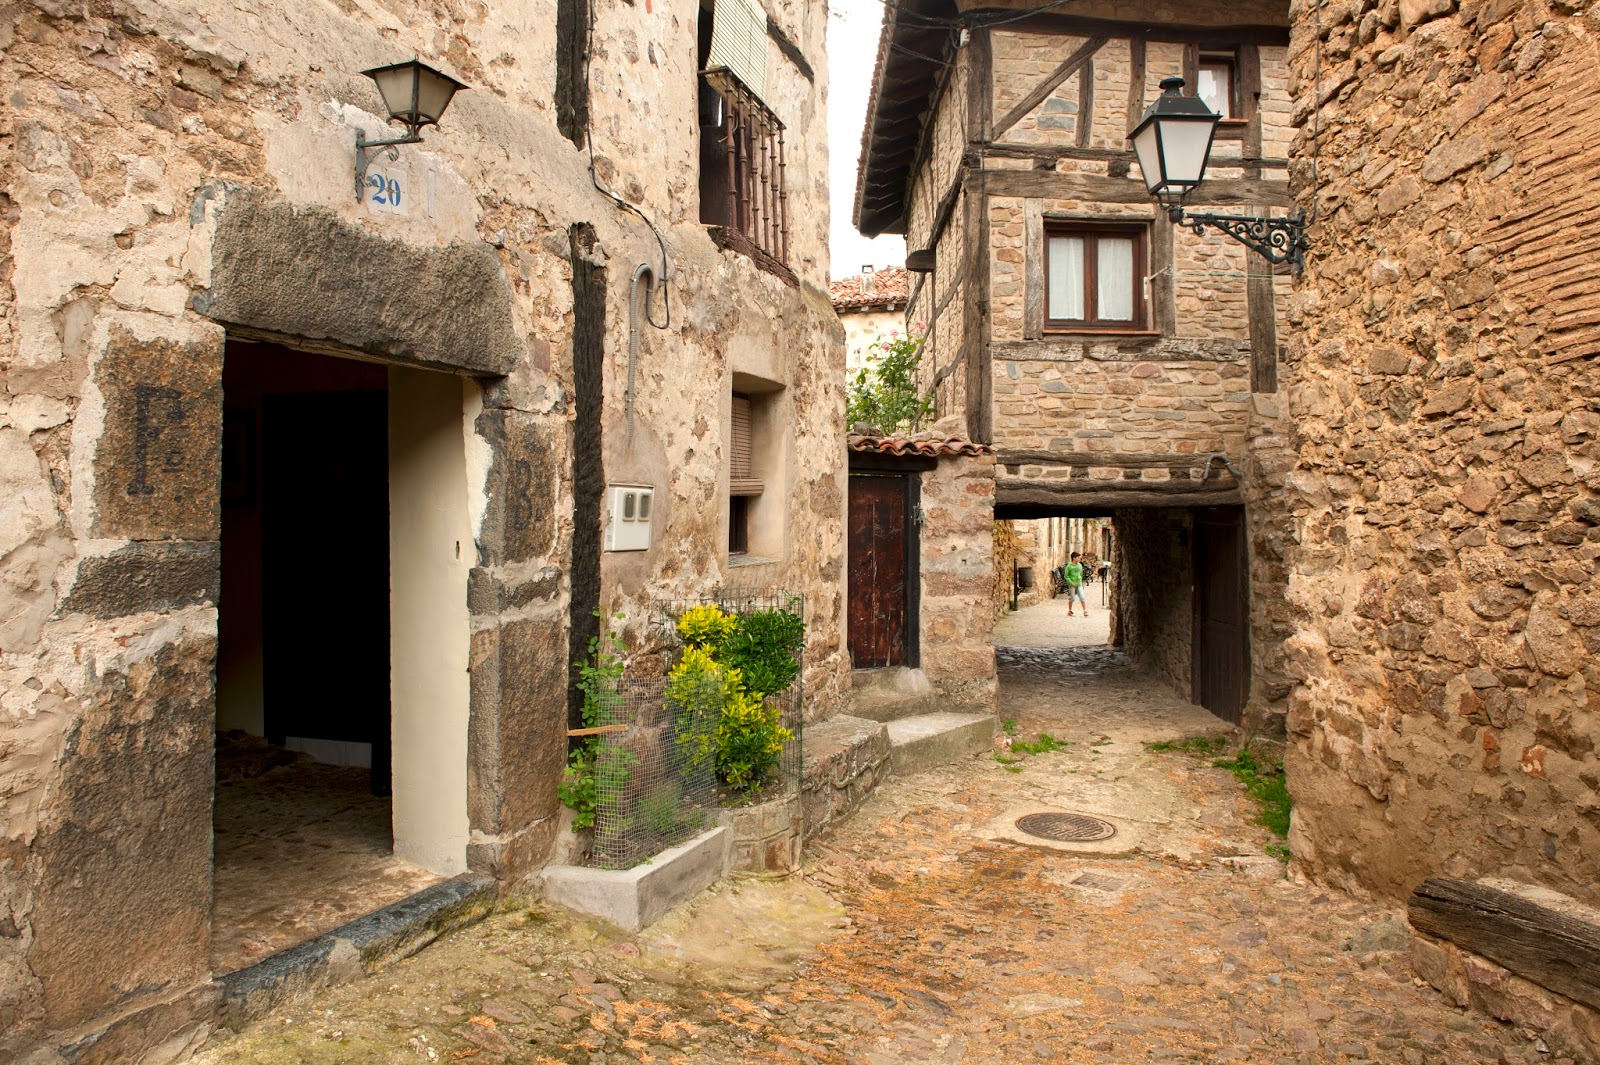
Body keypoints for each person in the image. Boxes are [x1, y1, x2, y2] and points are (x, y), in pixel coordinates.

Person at [1062, 551, 1088, 616]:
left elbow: (1081, 574)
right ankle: (1070, 611)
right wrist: (1070, 582)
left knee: (1082, 596)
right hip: (1072, 584)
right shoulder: (1069, 566)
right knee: (1072, 598)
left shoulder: (1080, 565)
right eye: (1078, 557)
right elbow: (1066, 576)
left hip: (1079, 584)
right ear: (1074, 558)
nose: (1080, 558)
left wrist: (1080, 580)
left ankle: (1085, 611)